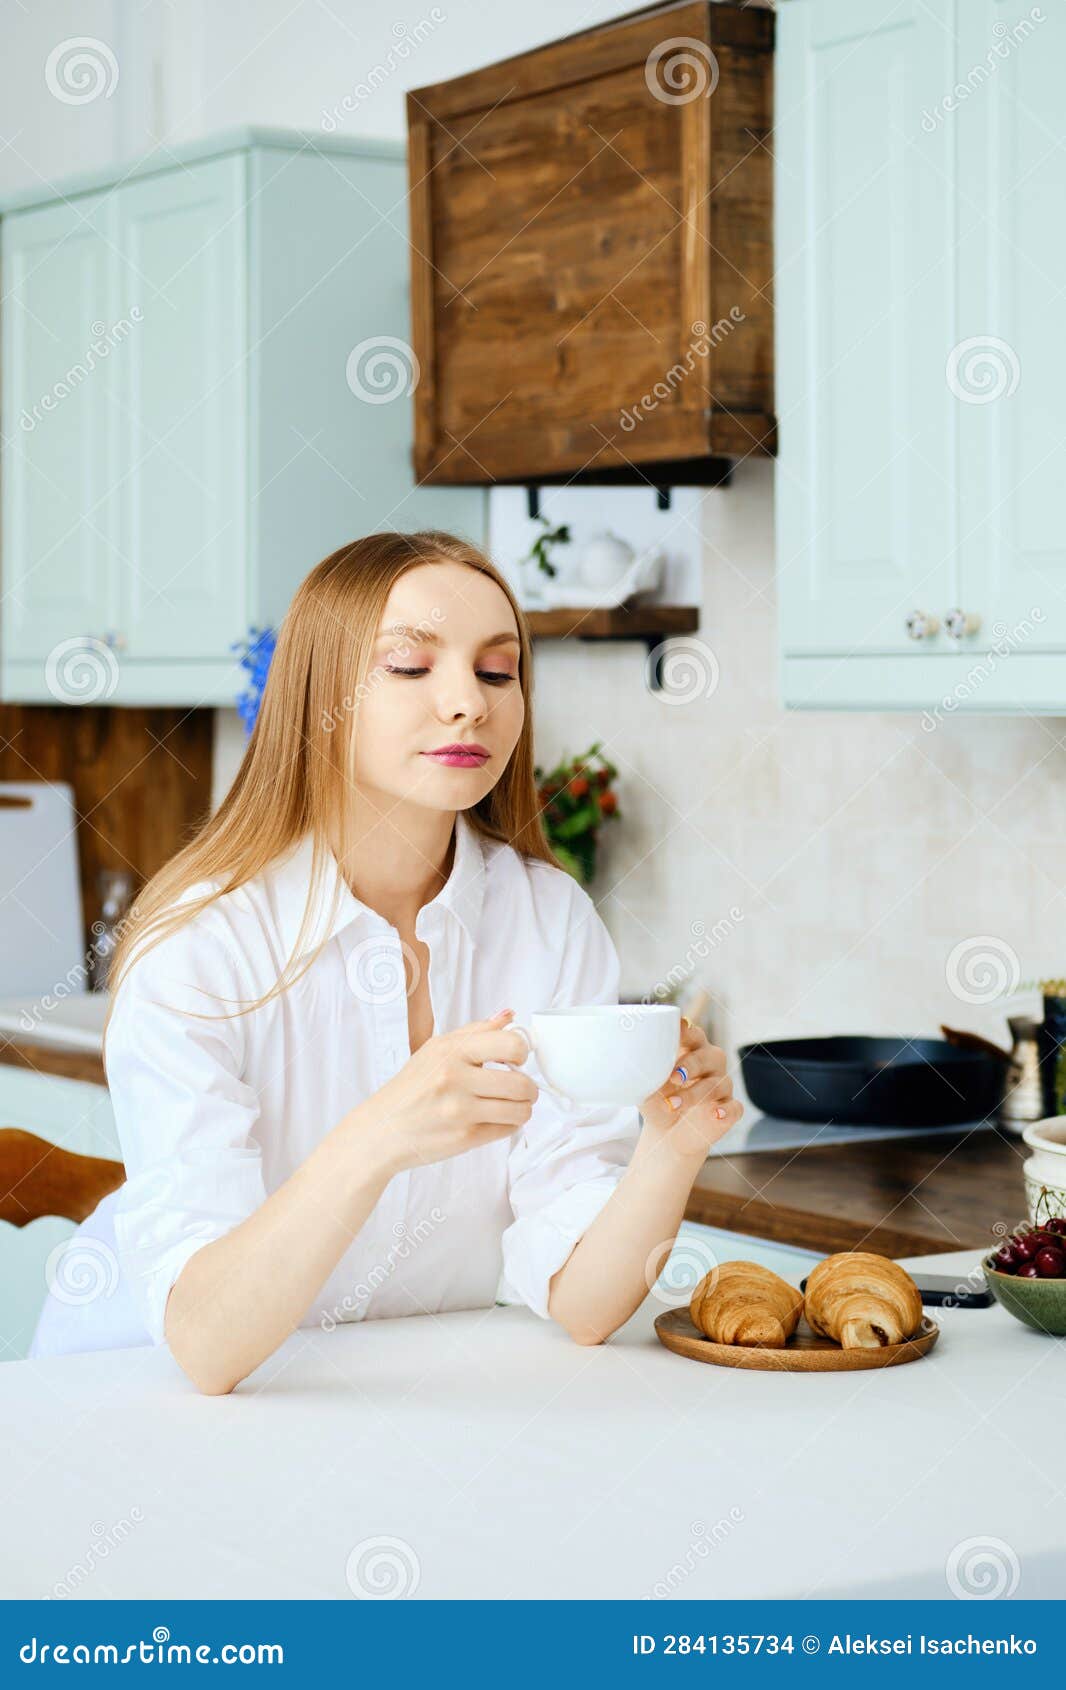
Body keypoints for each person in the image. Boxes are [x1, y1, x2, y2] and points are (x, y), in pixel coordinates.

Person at [30, 530, 742, 1392]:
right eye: (410, 667)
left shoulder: (549, 920)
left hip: (399, 1403)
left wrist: (670, 1150)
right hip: (127, 1402)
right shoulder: (199, 945)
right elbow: (207, 1349)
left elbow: (588, 1308)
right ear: (316, 696)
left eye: (496, 670)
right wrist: (380, 1135)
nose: (467, 705)